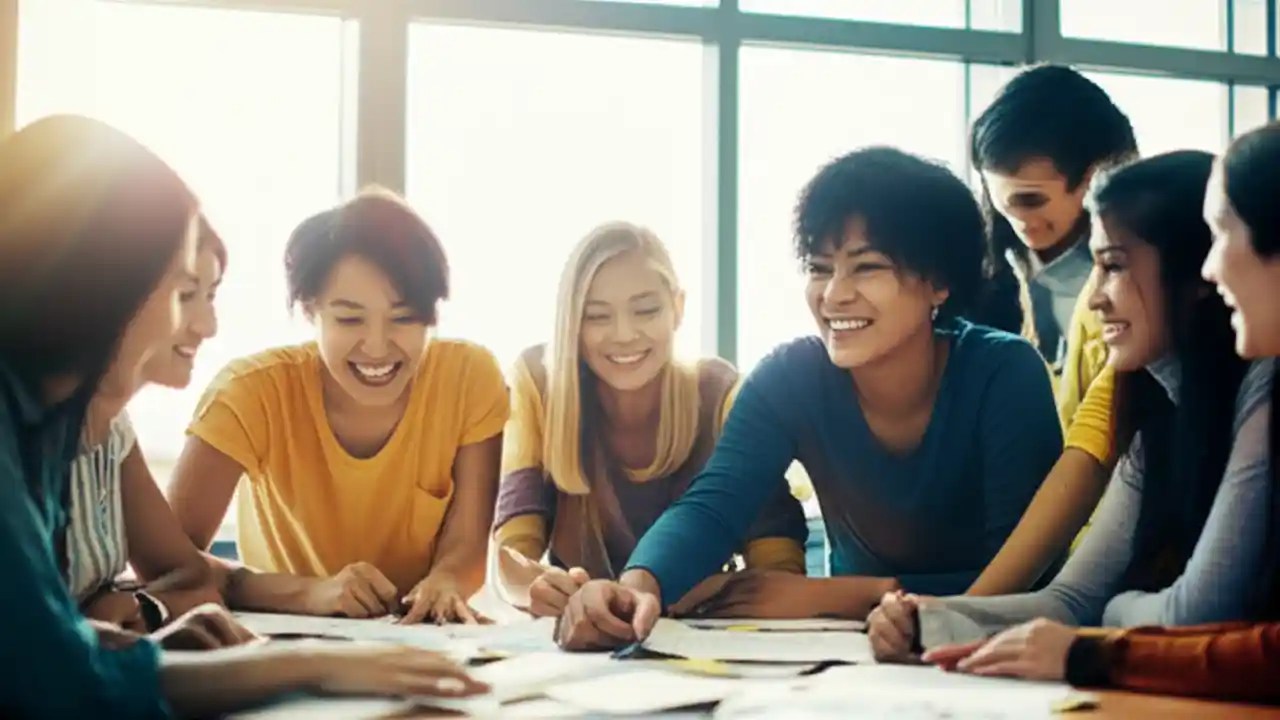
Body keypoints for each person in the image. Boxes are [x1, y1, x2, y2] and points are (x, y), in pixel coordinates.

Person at [0, 115, 485, 718]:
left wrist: (127, 643)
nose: (202, 326)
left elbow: (64, 636)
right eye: (183, 293)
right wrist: (313, 664)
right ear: (98, 285)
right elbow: (61, 681)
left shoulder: (51, 427)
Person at [552, 147, 1063, 651]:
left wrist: (845, 595)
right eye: (820, 268)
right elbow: (711, 507)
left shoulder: (1005, 374)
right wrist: (638, 585)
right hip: (852, 652)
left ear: (939, 282)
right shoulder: (790, 377)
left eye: (866, 267)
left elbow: (1024, 575)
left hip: (996, 655)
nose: (834, 294)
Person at [911, 123, 1280, 704]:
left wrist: (1106, 618)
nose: (1096, 297)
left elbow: (1196, 612)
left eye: (1113, 265)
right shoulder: (1157, 405)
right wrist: (924, 622)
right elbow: (1071, 602)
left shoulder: (1264, 386)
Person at [168, 188, 509, 624]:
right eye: (349, 319)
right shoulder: (249, 394)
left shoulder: (469, 378)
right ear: (312, 311)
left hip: (419, 642)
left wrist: (445, 583)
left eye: (404, 319)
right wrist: (309, 594)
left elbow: (465, 551)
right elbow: (167, 561)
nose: (377, 346)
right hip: (282, 642)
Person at [492, 222, 806, 617]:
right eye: (596, 316)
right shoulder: (538, 382)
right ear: (571, 323)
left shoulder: (722, 395)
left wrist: (715, 592)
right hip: (577, 633)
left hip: (697, 633)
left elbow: (780, 563)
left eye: (646, 310)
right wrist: (534, 589)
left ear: (678, 308)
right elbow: (511, 555)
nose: (624, 335)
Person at [965, 64, 1140, 596]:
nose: (1018, 219)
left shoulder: (1131, 290)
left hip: (1096, 548)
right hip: (998, 535)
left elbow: (1096, 444)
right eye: (1002, 200)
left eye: (1032, 200)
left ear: (1098, 177)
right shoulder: (983, 272)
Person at [70, 217, 228, 634]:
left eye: (210, 296)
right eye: (186, 295)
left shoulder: (112, 427)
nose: (207, 325)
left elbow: (191, 577)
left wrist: (145, 609)